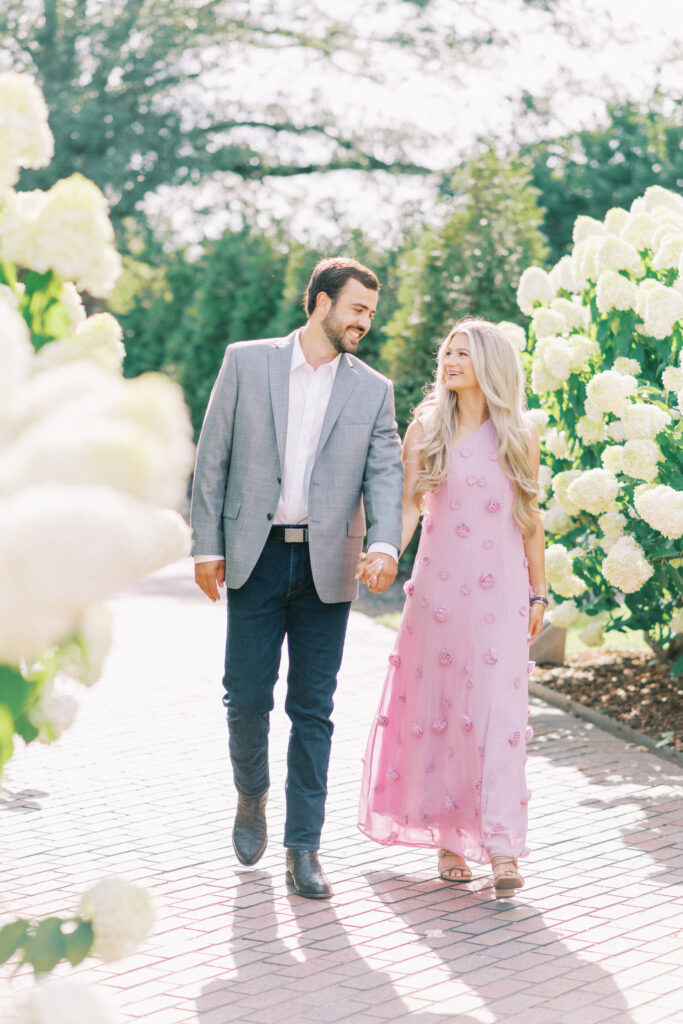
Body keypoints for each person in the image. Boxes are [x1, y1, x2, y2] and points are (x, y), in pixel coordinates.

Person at [191, 256, 403, 899]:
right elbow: (212, 457)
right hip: (254, 557)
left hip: (328, 566)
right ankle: (250, 795)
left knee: (314, 709)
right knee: (246, 698)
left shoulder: (374, 390)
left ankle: (303, 846)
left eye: (371, 313)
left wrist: (385, 543)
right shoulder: (246, 362)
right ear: (321, 303)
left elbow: (385, 474)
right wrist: (206, 547)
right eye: (357, 309)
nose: (365, 322)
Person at [357, 317, 546, 890]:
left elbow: (530, 517)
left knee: (498, 715)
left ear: (490, 363)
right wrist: (387, 553)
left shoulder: (519, 433)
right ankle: (448, 838)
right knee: (444, 710)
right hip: (438, 593)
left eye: (463, 353)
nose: (451, 361)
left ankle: (504, 848)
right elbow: (410, 506)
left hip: (503, 593)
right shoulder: (427, 428)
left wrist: (539, 590)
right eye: (448, 353)